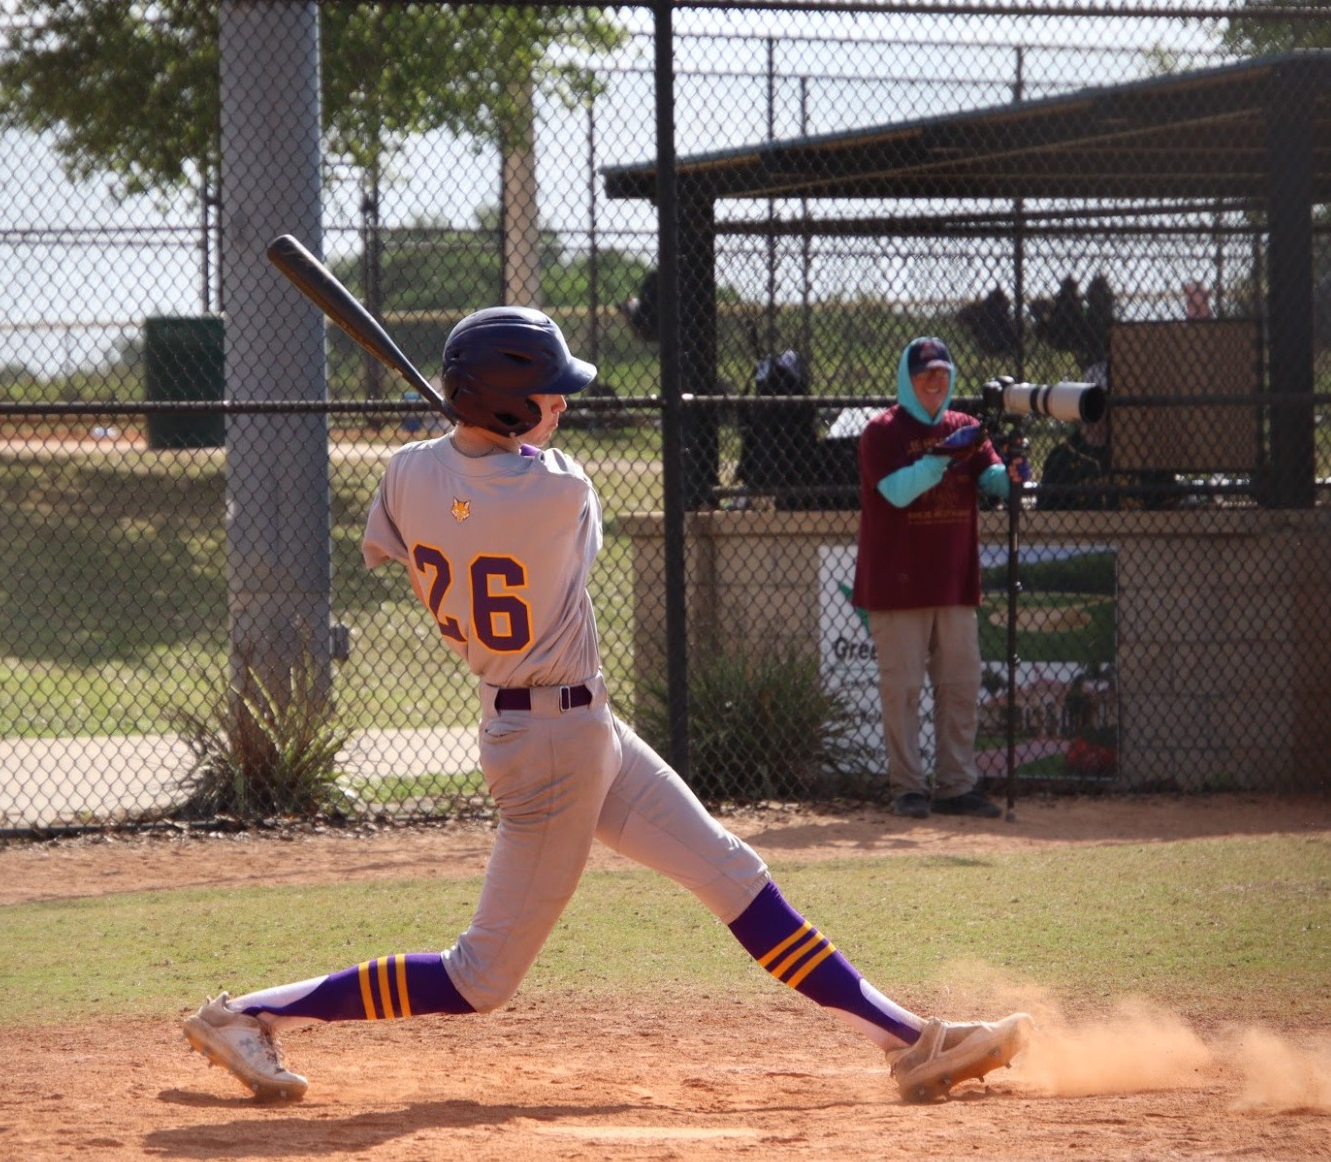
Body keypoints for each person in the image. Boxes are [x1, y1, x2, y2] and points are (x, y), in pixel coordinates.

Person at [181, 308, 1032, 1107]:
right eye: (547, 393)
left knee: (732, 874)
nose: (562, 404)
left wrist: (457, 460)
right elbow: (512, 484)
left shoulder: (406, 473)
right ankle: (248, 1014)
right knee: (479, 978)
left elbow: (400, 536)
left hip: (570, 728)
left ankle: (910, 1041)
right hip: (551, 744)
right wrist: (481, 462)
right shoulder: (558, 490)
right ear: (507, 405)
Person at [853, 337, 1012, 820]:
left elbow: (995, 478)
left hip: (954, 584)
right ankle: (908, 788)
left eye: (942, 373)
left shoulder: (966, 427)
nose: (934, 381)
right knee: (902, 689)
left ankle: (956, 785)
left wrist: (1010, 473)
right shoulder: (881, 432)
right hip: (896, 586)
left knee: (960, 685)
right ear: (907, 378)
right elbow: (897, 492)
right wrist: (940, 458)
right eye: (924, 374)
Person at [1036, 362, 1181, 512]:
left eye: (1110, 400)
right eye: (1094, 400)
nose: (1104, 408)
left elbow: (1169, 506)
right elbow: (1046, 513)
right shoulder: (1063, 458)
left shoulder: (1142, 452)